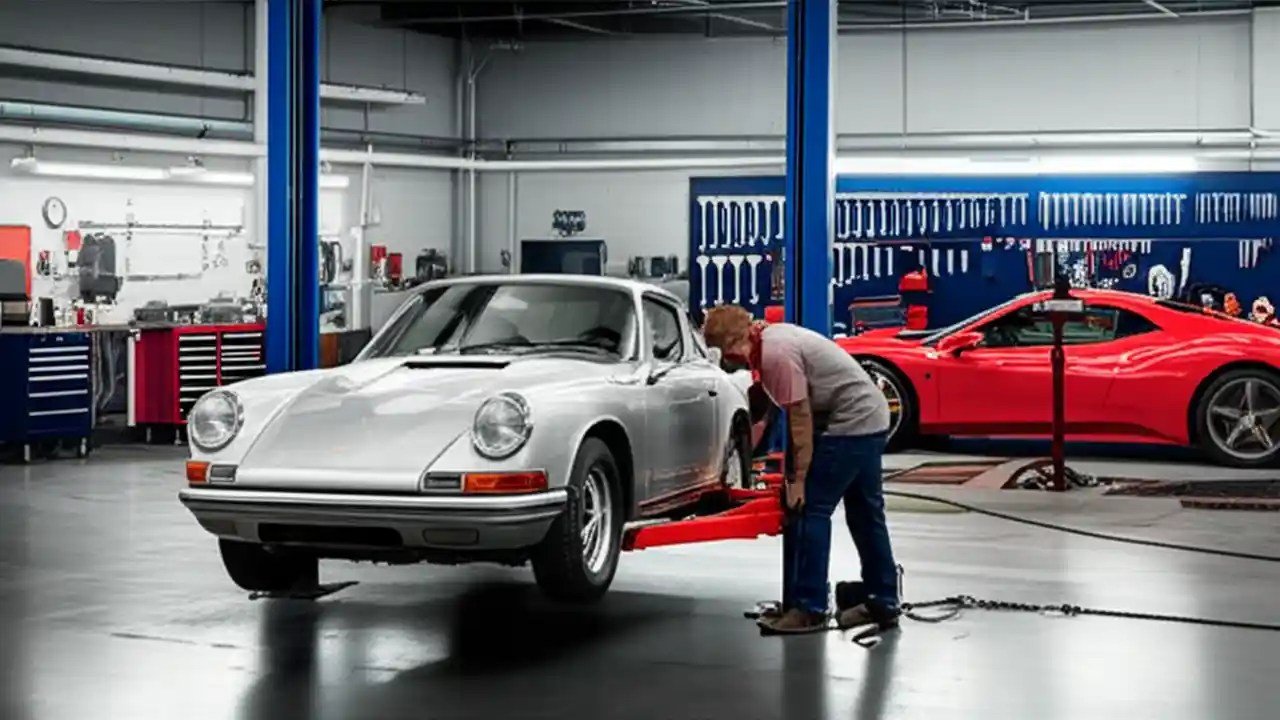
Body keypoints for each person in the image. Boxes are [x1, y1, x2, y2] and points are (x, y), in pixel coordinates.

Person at [701, 304, 900, 634]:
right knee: (865, 513)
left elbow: (800, 418)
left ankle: (809, 607)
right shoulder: (768, 341)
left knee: (810, 509)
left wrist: (799, 481)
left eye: (725, 353)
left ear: (736, 342)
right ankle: (883, 599)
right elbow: (763, 402)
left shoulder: (776, 354)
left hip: (851, 422)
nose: (728, 361)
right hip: (871, 415)